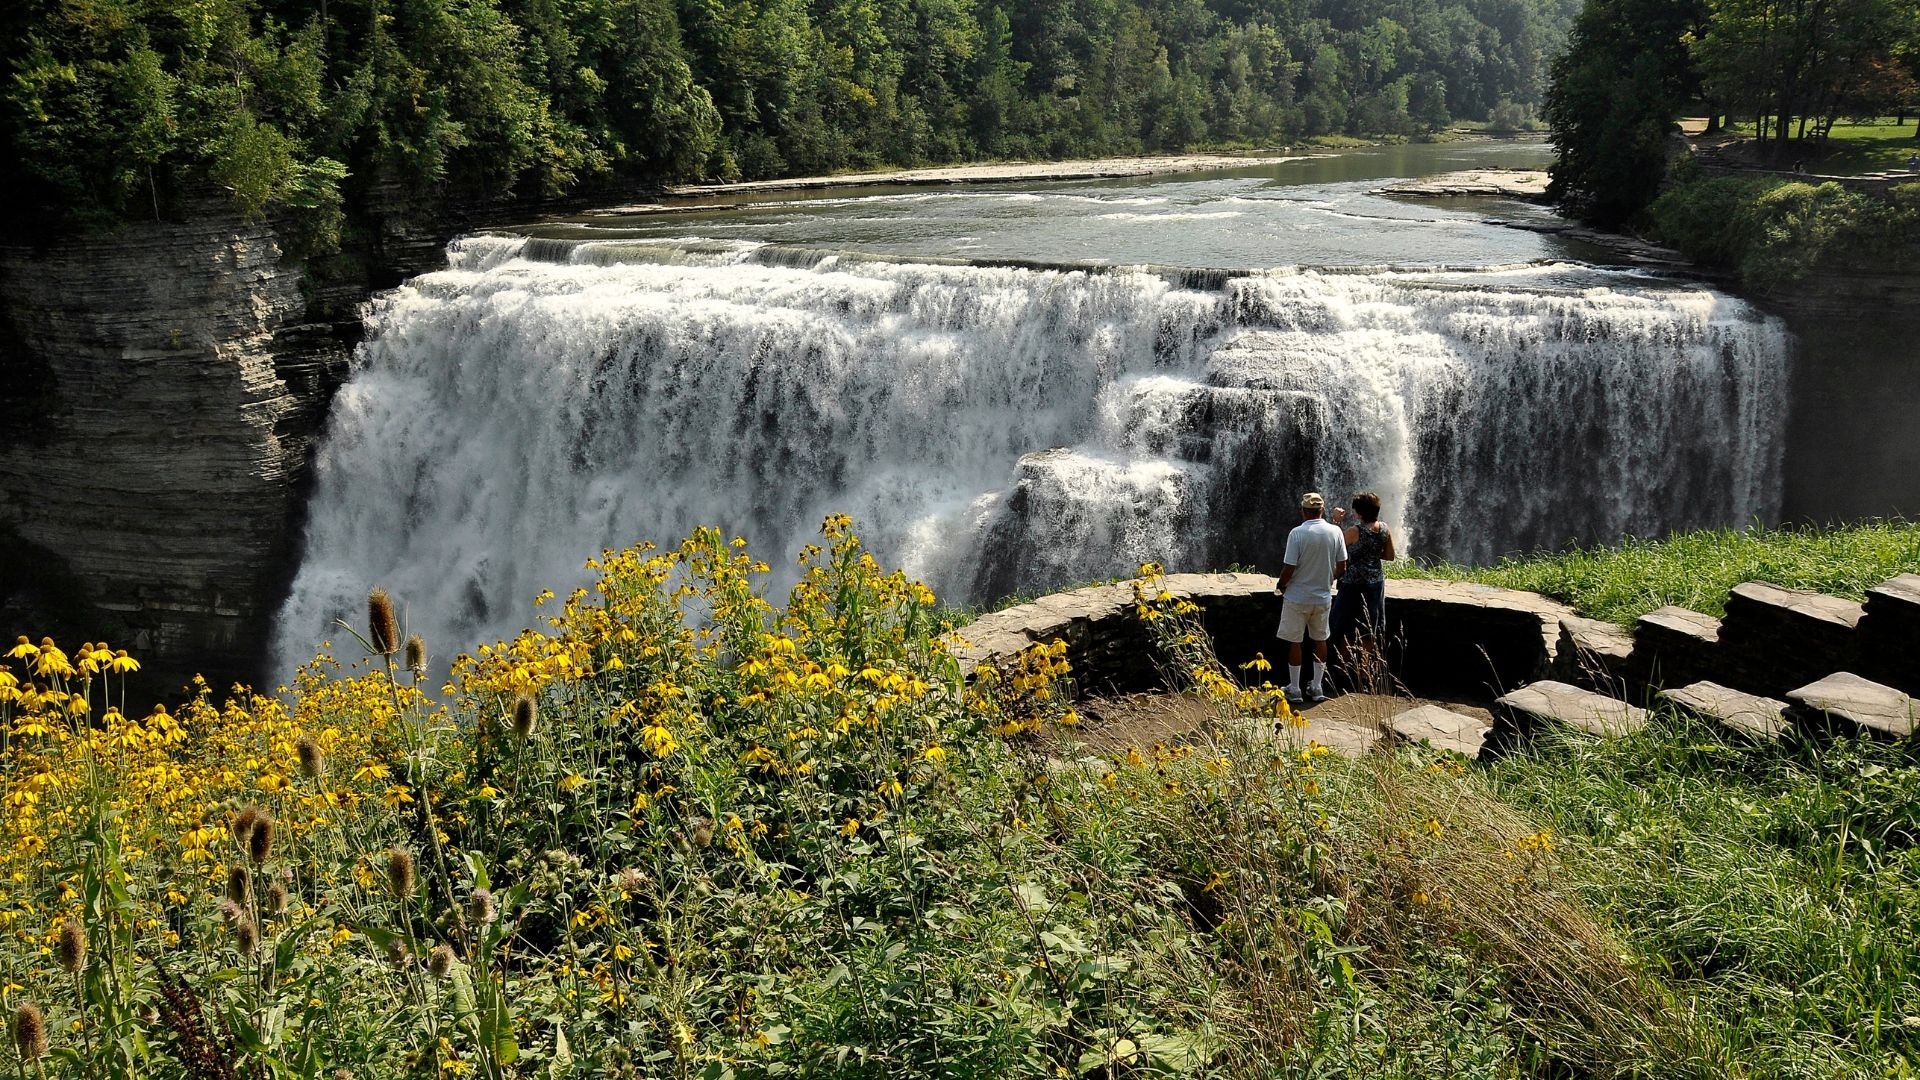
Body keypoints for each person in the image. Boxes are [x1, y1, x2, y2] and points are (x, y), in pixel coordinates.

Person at [1276, 492, 1346, 704]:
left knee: (1295, 641)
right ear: (1322, 510)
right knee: (1320, 639)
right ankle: (1317, 686)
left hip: (1297, 597)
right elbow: (1342, 567)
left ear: (1304, 511)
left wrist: (1281, 586)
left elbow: (1289, 568)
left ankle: (1295, 689)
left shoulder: (1296, 533)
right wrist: (1326, 579)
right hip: (1322, 597)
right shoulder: (1336, 531)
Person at [1330, 491, 1397, 646]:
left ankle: (1346, 668)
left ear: (1359, 513)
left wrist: (1336, 522)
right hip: (1375, 585)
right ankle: (1365, 669)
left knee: (1346, 629)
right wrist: (1370, 553)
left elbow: (1333, 548)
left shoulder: (1355, 531)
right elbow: (1389, 556)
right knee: (1368, 629)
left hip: (1353, 585)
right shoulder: (1385, 529)